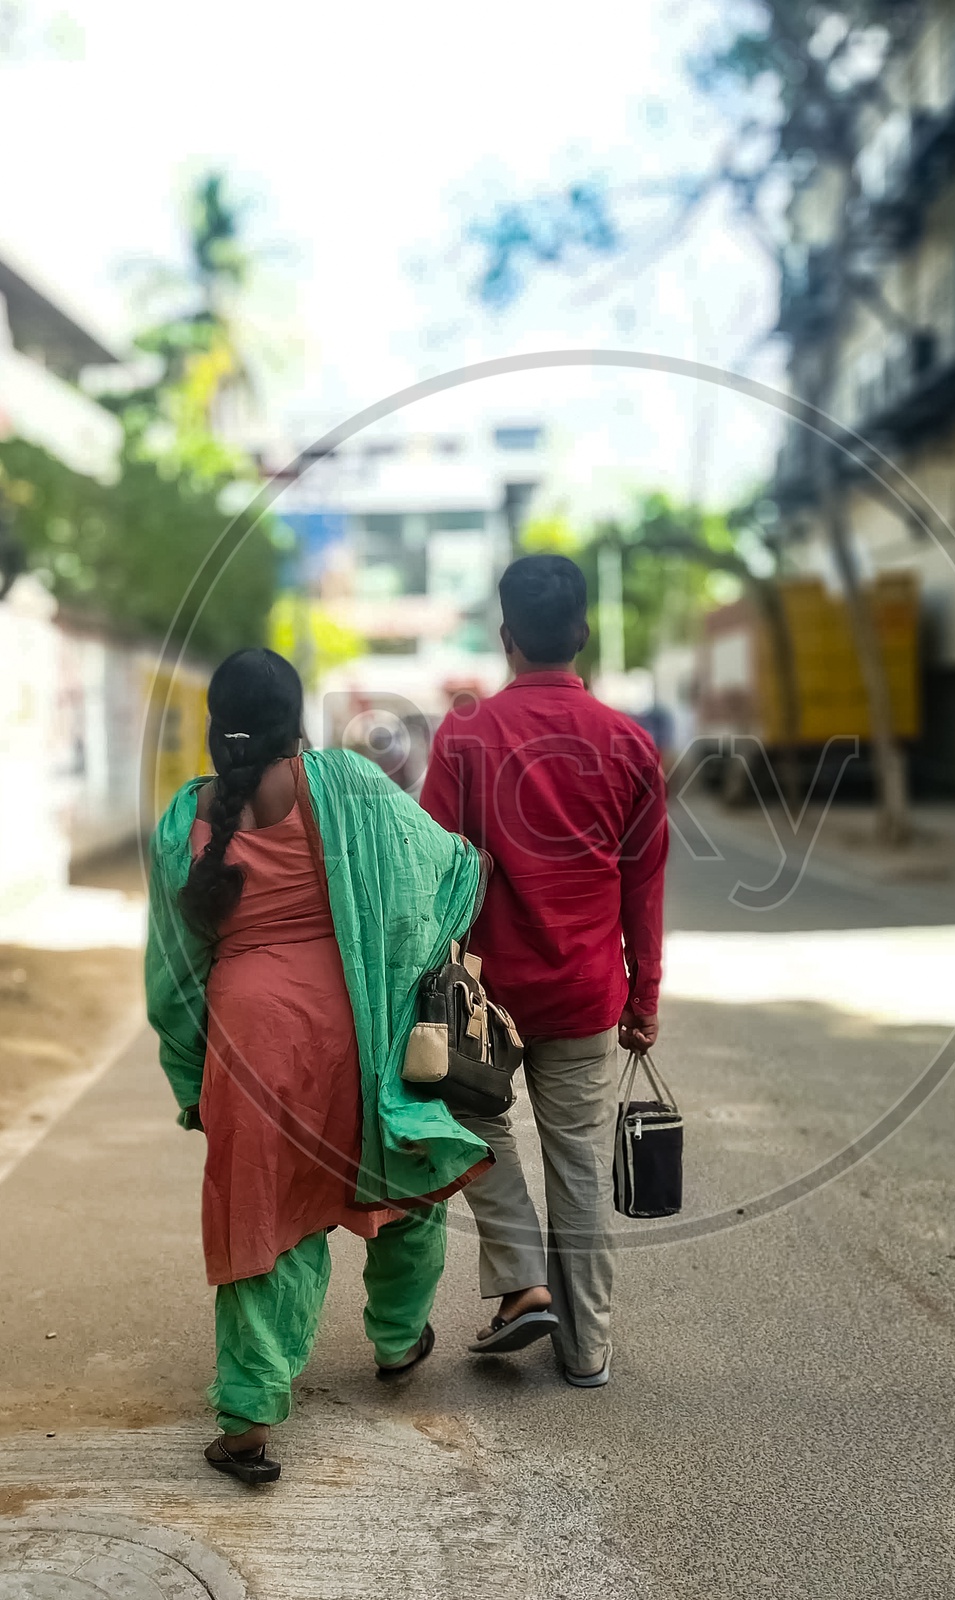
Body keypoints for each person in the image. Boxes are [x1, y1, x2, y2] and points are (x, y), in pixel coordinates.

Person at [146, 648, 490, 1484]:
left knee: (261, 1215)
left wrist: (195, 1083)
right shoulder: (346, 783)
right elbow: (448, 867)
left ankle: (250, 1420)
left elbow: (174, 979)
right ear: (293, 719)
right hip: (356, 1026)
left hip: (249, 1043)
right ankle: (400, 1341)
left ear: (213, 726)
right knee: (399, 1167)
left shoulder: (184, 820)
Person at [420, 554, 669, 1387]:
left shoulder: (463, 737)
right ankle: (586, 1349)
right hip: (587, 993)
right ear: (583, 633)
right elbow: (643, 887)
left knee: (470, 1123)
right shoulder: (630, 745)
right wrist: (645, 996)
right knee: (578, 1165)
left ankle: (524, 1284)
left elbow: (435, 873)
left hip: (484, 997)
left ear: (506, 637)